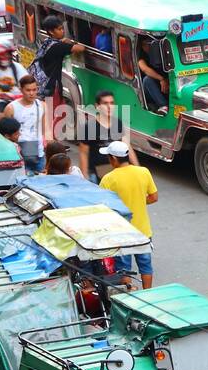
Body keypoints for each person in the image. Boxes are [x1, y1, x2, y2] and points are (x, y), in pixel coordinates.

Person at [98, 140, 158, 289]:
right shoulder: (143, 172)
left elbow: (101, 206)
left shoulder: (108, 179)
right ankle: (148, 294)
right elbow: (153, 197)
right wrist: (138, 201)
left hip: (121, 232)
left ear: (113, 159)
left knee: (124, 269)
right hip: (143, 231)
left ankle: (129, 297)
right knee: (145, 266)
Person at [32, 16, 86, 137]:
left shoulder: (47, 43)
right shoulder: (58, 47)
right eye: (60, 29)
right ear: (51, 31)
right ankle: (50, 142)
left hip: (43, 84)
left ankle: (52, 140)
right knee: (56, 114)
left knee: (54, 113)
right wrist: (70, 42)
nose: (62, 31)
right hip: (52, 85)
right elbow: (81, 48)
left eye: (62, 29)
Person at [77, 90, 135, 181]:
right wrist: (84, 178)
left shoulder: (118, 123)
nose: (109, 107)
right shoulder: (89, 127)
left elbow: (127, 147)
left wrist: (138, 169)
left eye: (112, 103)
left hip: (116, 171)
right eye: (105, 103)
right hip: (96, 173)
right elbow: (83, 153)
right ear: (97, 106)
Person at [7, 75, 45, 173]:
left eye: (34, 90)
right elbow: (5, 135)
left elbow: (46, 129)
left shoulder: (42, 105)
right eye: (28, 90)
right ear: (21, 90)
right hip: (19, 157)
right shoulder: (11, 108)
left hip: (39, 155)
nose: (31, 93)